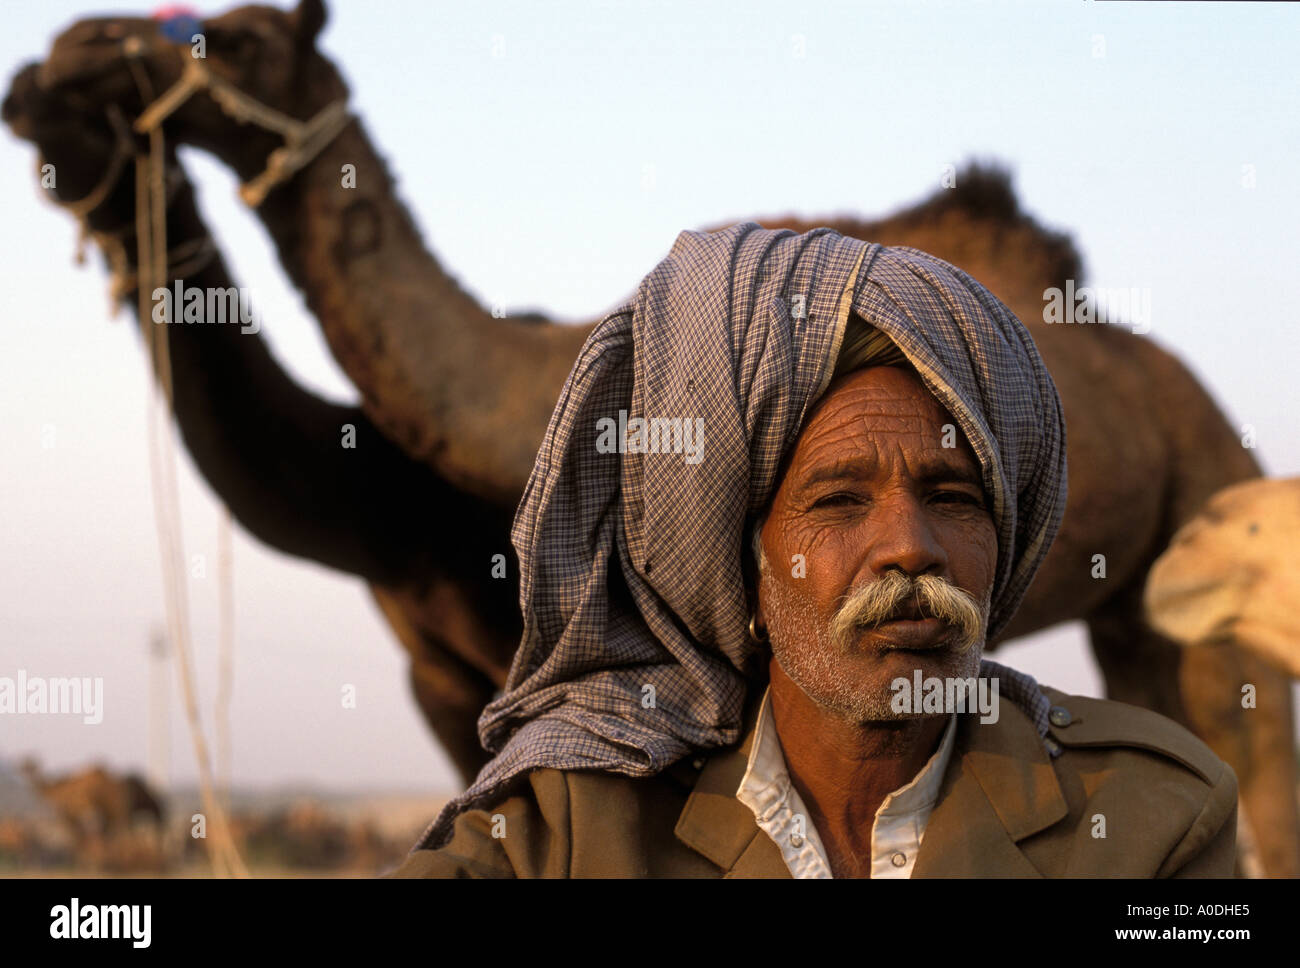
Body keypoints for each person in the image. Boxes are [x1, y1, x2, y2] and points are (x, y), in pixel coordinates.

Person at [390, 223, 1237, 878]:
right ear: (741, 559)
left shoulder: (1151, 815)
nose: (911, 547)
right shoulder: (568, 834)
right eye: (839, 502)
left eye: (954, 499)